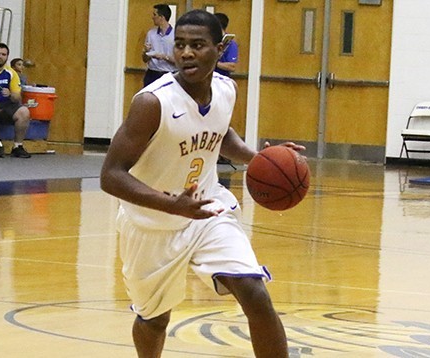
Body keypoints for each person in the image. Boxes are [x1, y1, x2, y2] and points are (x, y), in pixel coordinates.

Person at [100, 10, 291, 358]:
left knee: (255, 294)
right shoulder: (152, 103)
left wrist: (259, 159)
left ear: (219, 50)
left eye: (198, 45)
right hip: (151, 226)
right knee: (154, 320)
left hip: (206, 211)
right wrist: (170, 204)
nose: (186, 53)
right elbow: (110, 175)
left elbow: (219, 132)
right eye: (181, 45)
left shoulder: (225, 89)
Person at [141, 3, 177, 86]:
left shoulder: (175, 35)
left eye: (155, 14)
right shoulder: (151, 34)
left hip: (169, 74)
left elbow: (179, 61)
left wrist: (163, 56)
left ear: (162, 17)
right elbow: (145, 59)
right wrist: (145, 52)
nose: (152, 17)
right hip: (152, 74)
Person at [213, 13, 238, 77]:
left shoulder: (231, 44)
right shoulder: (209, 40)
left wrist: (215, 64)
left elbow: (232, 67)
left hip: (221, 79)